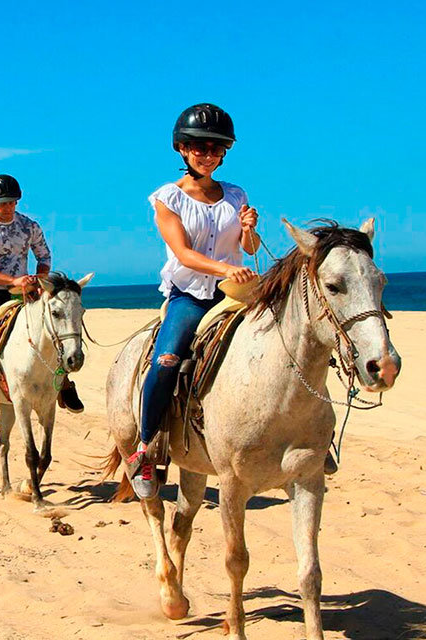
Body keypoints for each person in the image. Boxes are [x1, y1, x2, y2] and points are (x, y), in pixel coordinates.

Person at [127, 103, 260, 499]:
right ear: (182, 150)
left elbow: (248, 248)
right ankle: (145, 447)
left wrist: (251, 229)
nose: (208, 155)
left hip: (235, 291)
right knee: (166, 359)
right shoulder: (168, 198)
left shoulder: (236, 194)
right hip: (191, 294)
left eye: (217, 149)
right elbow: (183, 254)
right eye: (199, 147)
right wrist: (224, 271)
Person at [0, 174, 84, 423]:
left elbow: (44, 255)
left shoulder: (29, 225)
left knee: (51, 331)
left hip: (27, 289)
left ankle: (64, 384)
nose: (8, 207)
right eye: (3, 202)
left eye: (12, 202)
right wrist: (13, 281)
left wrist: (40, 278)